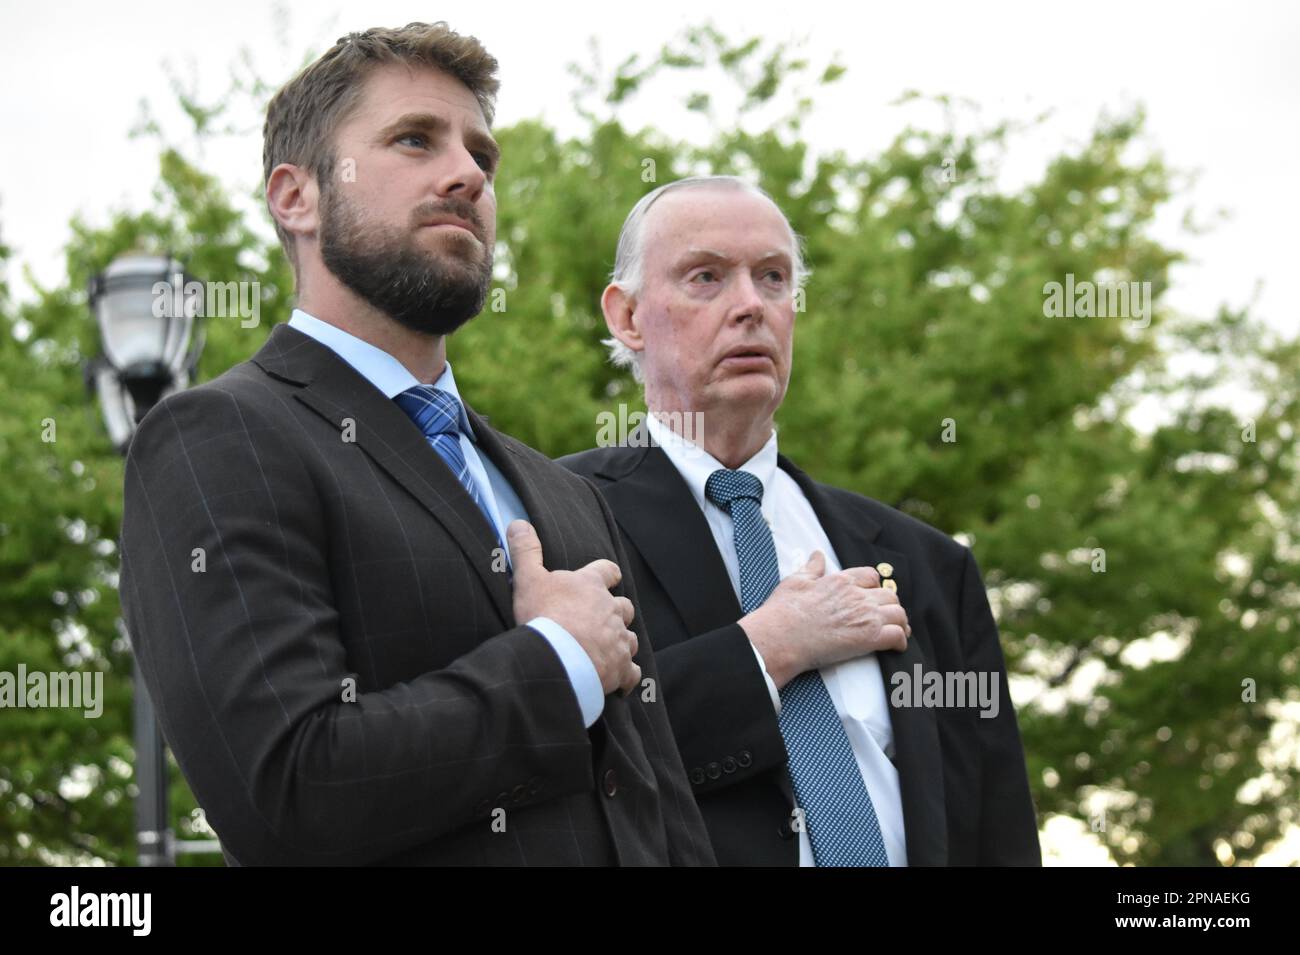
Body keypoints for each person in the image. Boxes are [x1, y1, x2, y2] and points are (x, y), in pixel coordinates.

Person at [118, 22, 714, 867]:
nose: (468, 173)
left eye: (483, 156)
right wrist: (555, 663)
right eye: (413, 140)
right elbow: (286, 791)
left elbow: (659, 804)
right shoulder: (217, 439)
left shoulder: (567, 495)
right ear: (297, 197)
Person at [560, 176, 1041, 866]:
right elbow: (565, 760)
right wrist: (767, 649)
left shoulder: (929, 564)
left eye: (774, 278)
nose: (751, 305)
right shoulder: (555, 514)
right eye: (707, 277)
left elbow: (997, 825)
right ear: (627, 316)